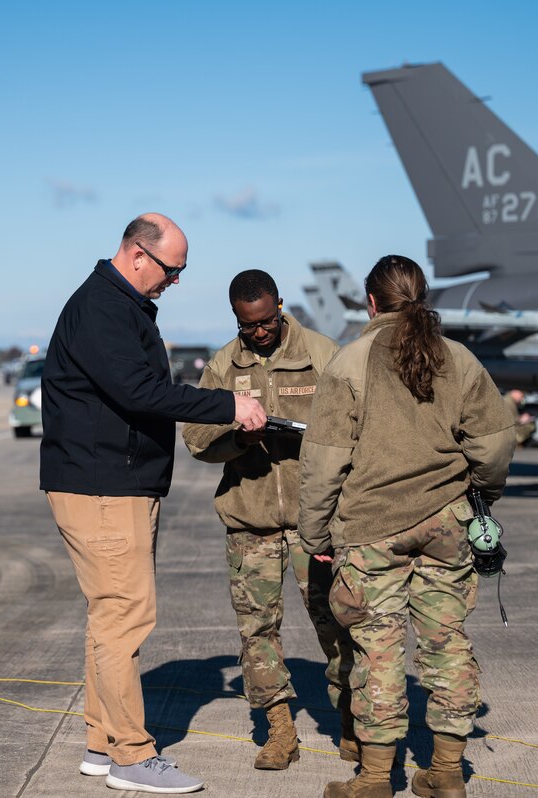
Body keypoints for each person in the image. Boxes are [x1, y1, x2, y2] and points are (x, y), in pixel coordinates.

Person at [40, 213, 267, 795]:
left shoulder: (117, 304)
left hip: (111, 485)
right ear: (138, 254)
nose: (175, 281)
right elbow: (137, 392)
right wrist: (228, 405)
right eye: (173, 269)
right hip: (103, 490)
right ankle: (133, 758)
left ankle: (101, 743)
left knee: (108, 618)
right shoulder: (104, 307)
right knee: (125, 617)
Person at [298, 255, 515, 798]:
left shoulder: (348, 363)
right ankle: (445, 773)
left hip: (372, 530)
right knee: (446, 643)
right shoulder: (459, 359)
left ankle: (374, 779)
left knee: (378, 650)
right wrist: (480, 494)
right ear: (422, 296)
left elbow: (324, 463)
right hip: (447, 524)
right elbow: (493, 444)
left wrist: (315, 535)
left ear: (372, 303)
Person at [181, 269, 354, 771]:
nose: (258, 332)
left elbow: (355, 425)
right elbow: (196, 439)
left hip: (314, 521)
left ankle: (349, 718)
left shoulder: (321, 354)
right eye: (246, 325)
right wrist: (239, 440)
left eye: (265, 321)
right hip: (249, 520)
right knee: (257, 633)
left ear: (280, 305)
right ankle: (279, 730)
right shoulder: (222, 364)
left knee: (335, 622)